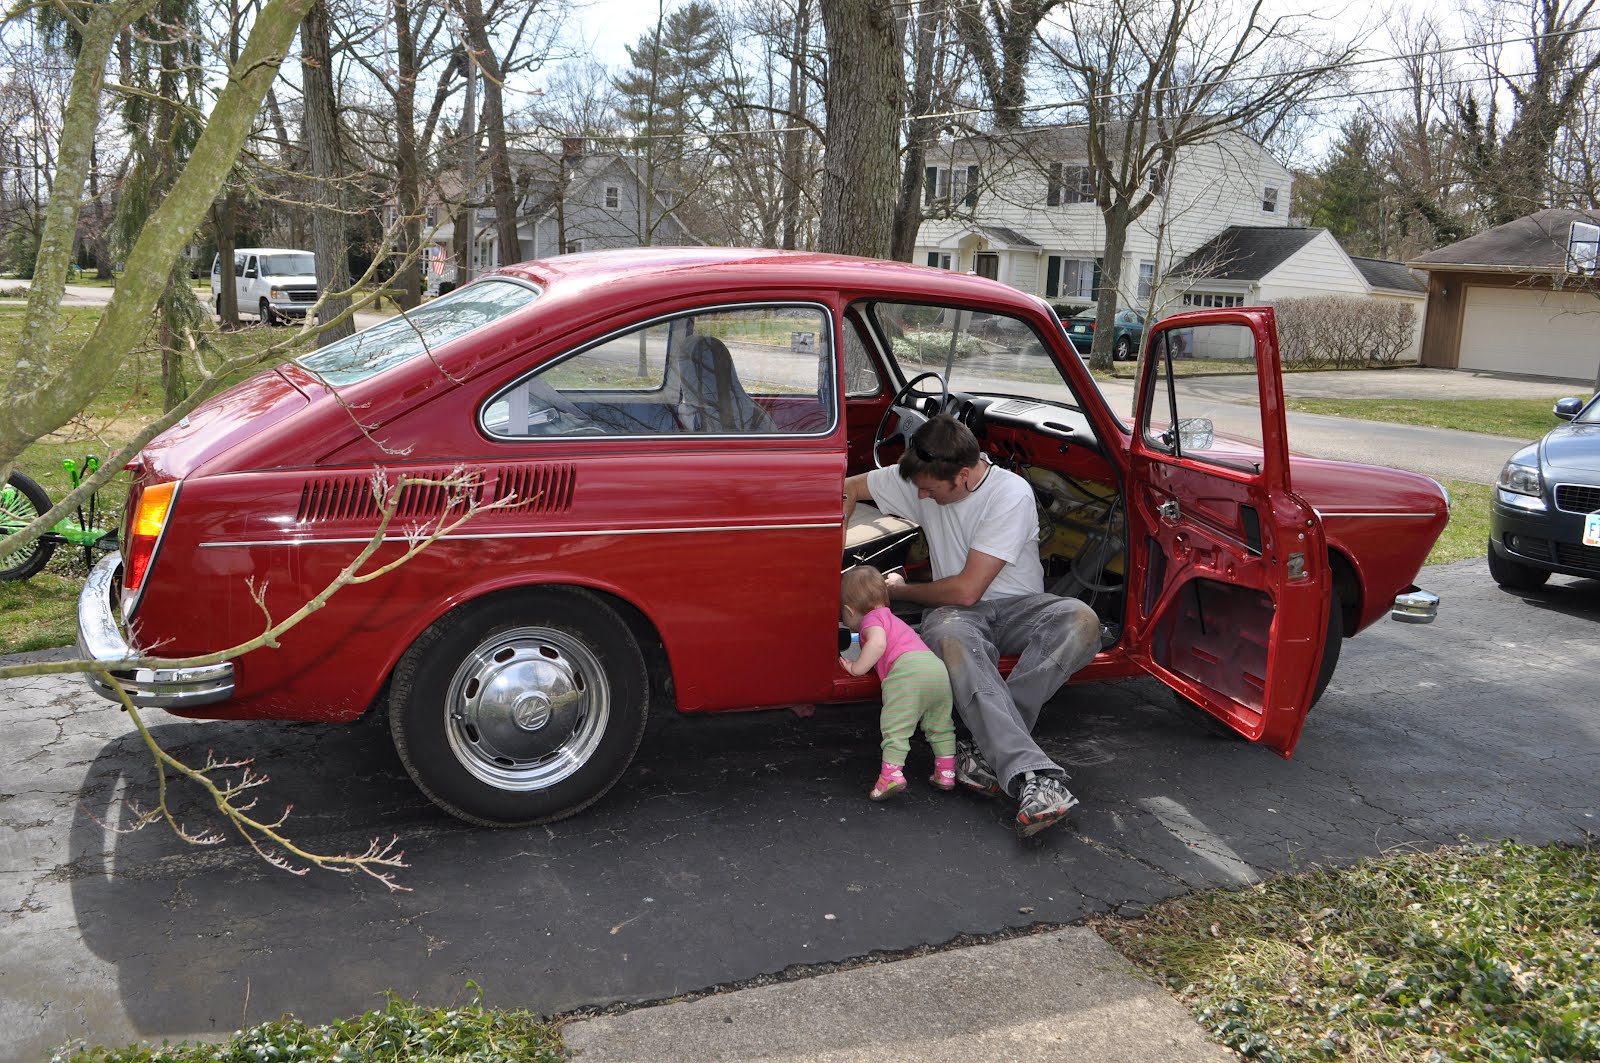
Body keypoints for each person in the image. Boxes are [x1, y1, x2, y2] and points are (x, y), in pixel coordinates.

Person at [842, 414, 1101, 837]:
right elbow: (850, 487)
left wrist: (899, 592)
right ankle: (1032, 776)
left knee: (1080, 619)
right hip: (957, 619)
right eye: (918, 487)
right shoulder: (924, 477)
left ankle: (985, 748)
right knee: (951, 635)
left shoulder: (1009, 494)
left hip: (1014, 608)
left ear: (963, 475)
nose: (920, 496)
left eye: (930, 490)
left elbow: (966, 590)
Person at [838, 565, 958, 801]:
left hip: (907, 672)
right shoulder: (893, 619)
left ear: (849, 611)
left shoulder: (871, 621)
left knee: (896, 726)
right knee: (940, 724)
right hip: (935, 670)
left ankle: (890, 775)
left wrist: (856, 667)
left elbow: (878, 644)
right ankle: (946, 772)